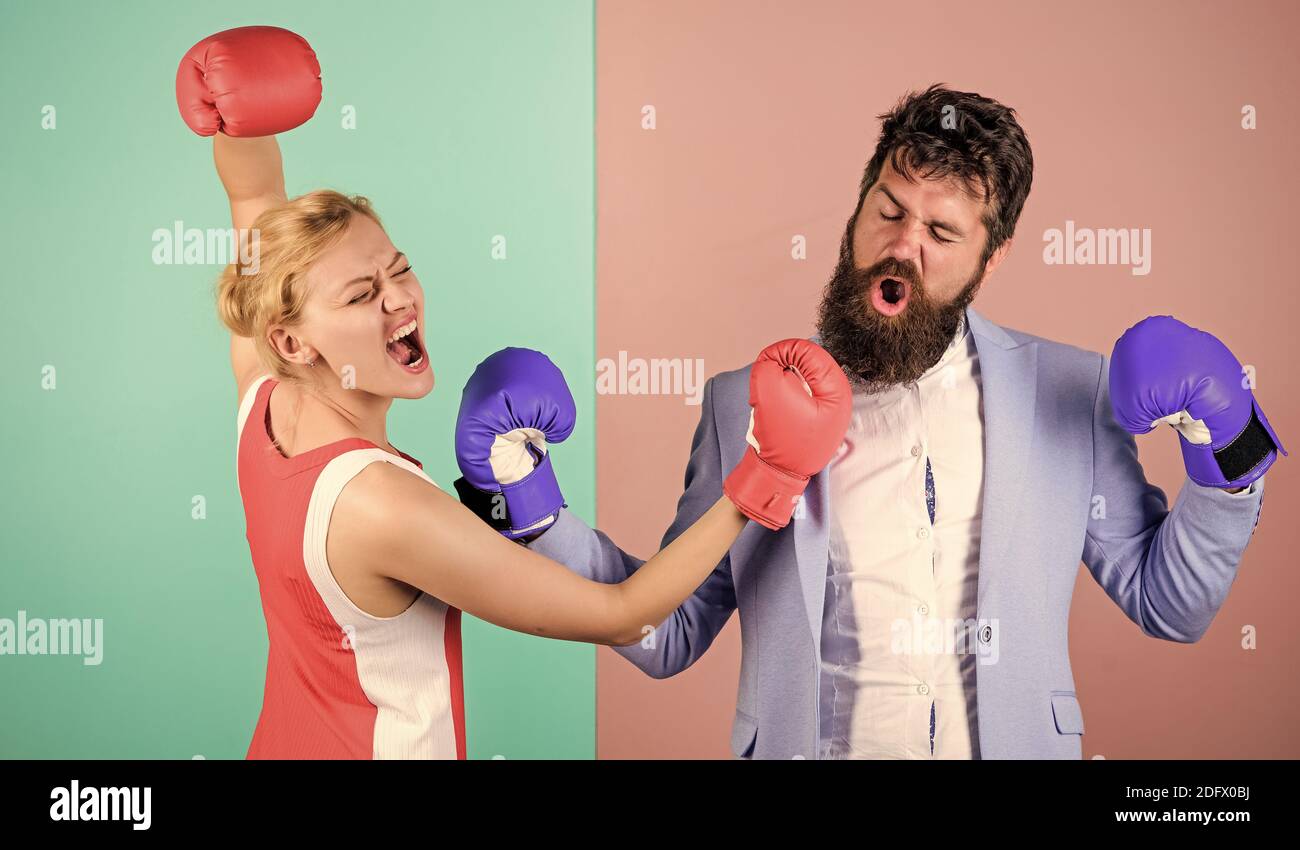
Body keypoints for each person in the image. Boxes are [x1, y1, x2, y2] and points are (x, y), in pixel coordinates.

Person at [473, 84, 1284, 760]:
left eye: (940, 232)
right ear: (856, 209)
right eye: (888, 210)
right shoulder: (740, 401)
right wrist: (526, 494)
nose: (902, 247)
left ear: (989, 260)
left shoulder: (1068, 390)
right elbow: (668, 631)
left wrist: (1229, 443)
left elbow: (1170, 605)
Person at [177, 25, 853, 759]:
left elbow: (253, 199)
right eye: (362, 295)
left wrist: (238, 121)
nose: (399, 301)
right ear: (293, 339)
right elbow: (624, 613)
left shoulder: (264, 401)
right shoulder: (380, 505)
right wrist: (764, 478)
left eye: (399, 269)